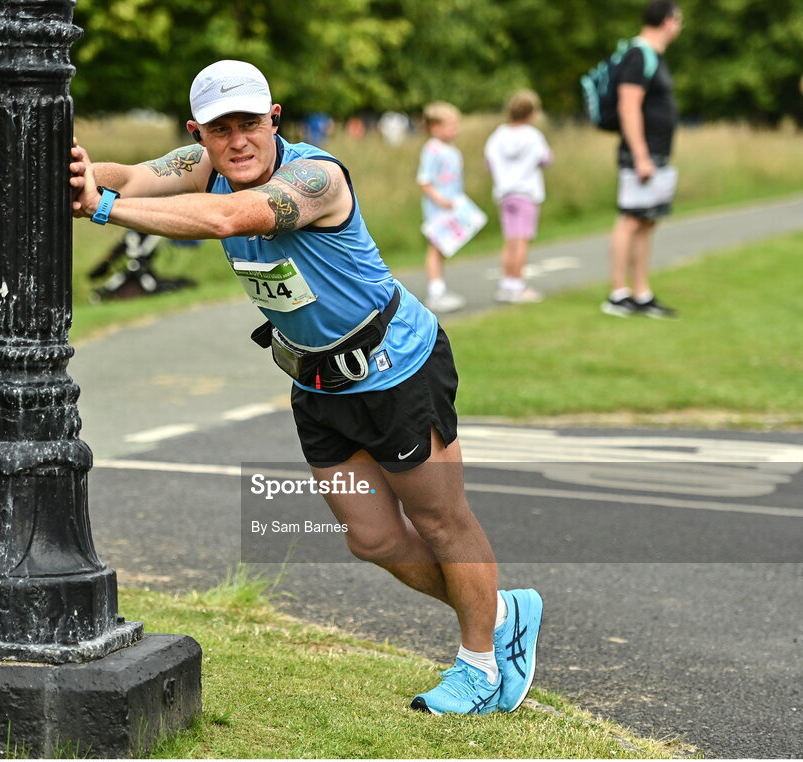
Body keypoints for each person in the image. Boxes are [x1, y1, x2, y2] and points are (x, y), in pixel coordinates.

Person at [69, 59, 542, 716]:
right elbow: (129, 175)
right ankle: (500, 611)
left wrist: (105, 209)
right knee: (372, 539)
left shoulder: (315, 177)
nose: (237, 140)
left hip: (397, 367)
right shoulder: (202, 163)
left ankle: (482, 665)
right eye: (219, 128)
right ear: (197, 133)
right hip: (316, 383)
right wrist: (77, 172)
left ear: (274, 120)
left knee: (438, 520)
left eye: (249, 123)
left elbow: (231, 217)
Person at [602, 1, 683, 318]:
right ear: (667, 21)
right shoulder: (639, 54)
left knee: (647, 221)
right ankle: (618, 293)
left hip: (656, 154)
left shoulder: (652, 56)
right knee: (630, 219)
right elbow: (628, 106)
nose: (679, 27)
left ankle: (641, 293)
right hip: (642, 155)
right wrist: (640, 155)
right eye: (678, 20)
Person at [484, 90, 553, 304]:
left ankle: (507, 284)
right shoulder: (533, 136)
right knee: (522, 240)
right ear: (532, 113)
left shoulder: (498, 135)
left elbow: (489, 163)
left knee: (510, 240)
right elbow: (546, 159)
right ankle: (518, 285)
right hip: (526, 193)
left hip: (505, 194)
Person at [416, 102, 466, 312]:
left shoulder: (451, 150)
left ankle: (440, 287)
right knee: (436, 247)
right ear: (435, 127)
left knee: (443, 248)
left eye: (456, 125)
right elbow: (424, 181)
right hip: (438, 209)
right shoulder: (432, 150)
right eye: (450, 126)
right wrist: (440, 200)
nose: (455, 130)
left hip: (451, 208)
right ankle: (436, 292)